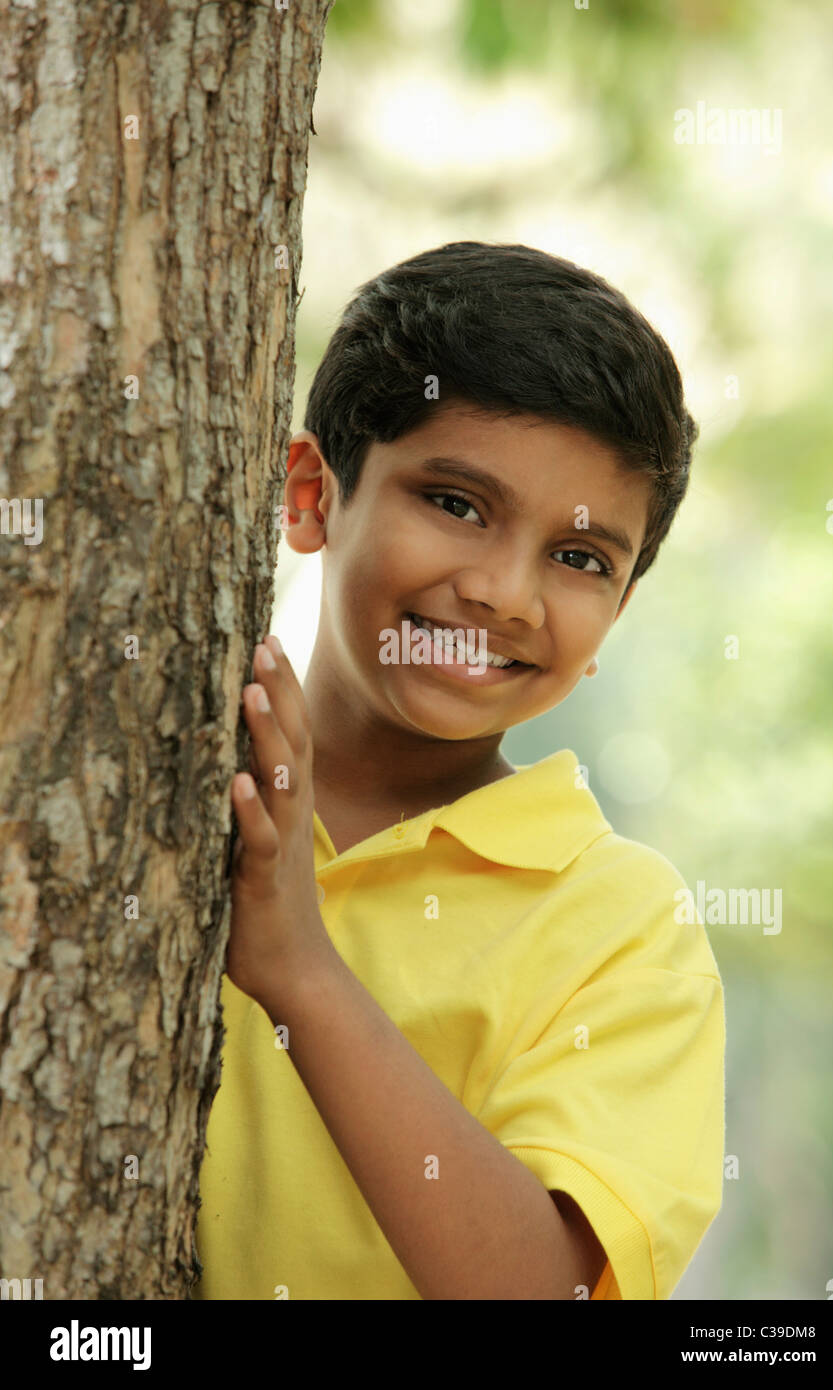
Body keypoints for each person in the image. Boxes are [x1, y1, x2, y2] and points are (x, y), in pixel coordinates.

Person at [192, 242, 725, 1301]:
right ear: (311, 496)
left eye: (579, 560)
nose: (503, 593)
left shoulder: (619, 924)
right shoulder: (173, 768)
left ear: (612, 614)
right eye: (456, 503)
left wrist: (299, 962)